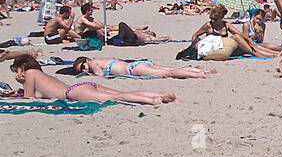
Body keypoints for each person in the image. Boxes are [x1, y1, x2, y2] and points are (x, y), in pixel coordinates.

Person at [9, 54, 177, 105]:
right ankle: (158, 95)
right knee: (122, 93)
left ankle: (155, 100)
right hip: (82, 86)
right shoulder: (41, 75)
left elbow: (29, 99)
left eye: (17, 71)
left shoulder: (30, 74)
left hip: (73, 92)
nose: (17, 74)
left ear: (22, 67)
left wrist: (20, 84)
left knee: (118, 97)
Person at [73, 56, 216, 80]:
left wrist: (88, 74)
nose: (85, 70)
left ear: (86, 60)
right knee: (170, 69)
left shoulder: (93, 62)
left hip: (133, 69)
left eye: (83, 66)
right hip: (137, 64)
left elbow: (99, 75)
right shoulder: (102, 60)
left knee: (170, 73)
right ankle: (202, 71)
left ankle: (198, 75)